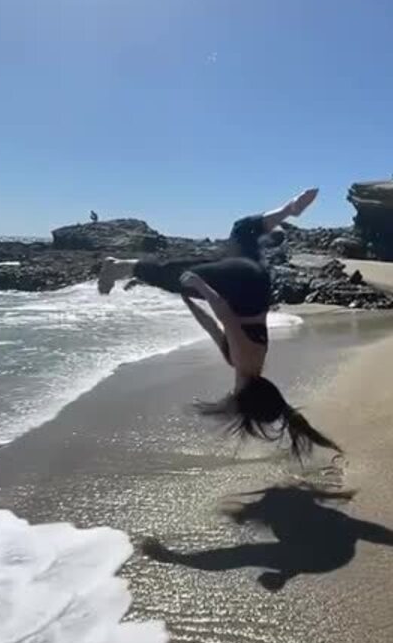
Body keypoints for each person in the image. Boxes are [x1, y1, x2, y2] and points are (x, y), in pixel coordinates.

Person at [97, 188, 341, 459]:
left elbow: (212, 326)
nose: (231, 394)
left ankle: (289, 210)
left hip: (256, 284)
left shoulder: (251, 364)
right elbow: (224, 314)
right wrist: (198, 286)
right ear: (242, 395)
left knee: (241, 232)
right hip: (240, 288)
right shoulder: (243, 360)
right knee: (174, 275)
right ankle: (116, 266)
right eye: (236, 398)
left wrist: (187, 299)